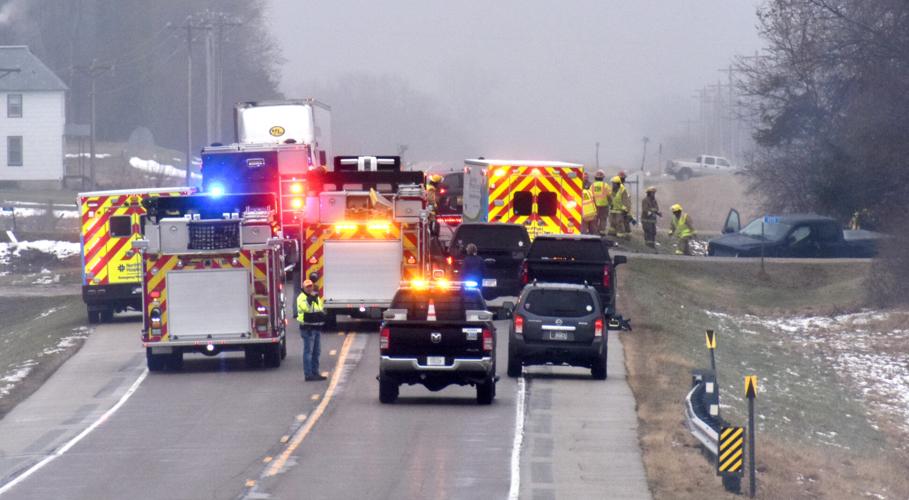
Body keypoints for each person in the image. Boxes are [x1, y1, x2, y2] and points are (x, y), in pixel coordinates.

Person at [297, 279, 326, 381]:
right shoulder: (301, 297)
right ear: (303, 288)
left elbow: (319, 308)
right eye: (307, 287)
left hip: (316, 327)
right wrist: (310, 300)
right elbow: (304, 308)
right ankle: (308, 374)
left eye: (310, 286)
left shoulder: (315, 297)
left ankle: (315, 373)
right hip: (308, 328)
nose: (309, 288)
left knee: (316, 352)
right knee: (308, 352)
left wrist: (322, 315)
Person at [590, 170, 611, 235]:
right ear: (603, 177)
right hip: (604, 205)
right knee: (603, 219)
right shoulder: (605, 185)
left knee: (595, 218)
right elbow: (609, 195)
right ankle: (601, 231)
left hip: (594, 205)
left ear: (595, 177)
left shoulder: (592, 186)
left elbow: (590, 195)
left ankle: (595, 231)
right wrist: (610, 203)